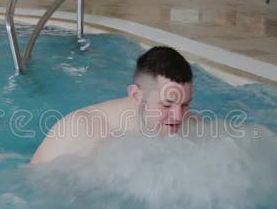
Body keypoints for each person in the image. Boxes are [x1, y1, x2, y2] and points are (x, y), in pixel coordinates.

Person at [30, 46, 193, 165]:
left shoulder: (190, 124)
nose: (178, 116)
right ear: (136, 95)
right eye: (166, 105)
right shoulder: (82, 130)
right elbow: (33, 189)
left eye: (185, 104)